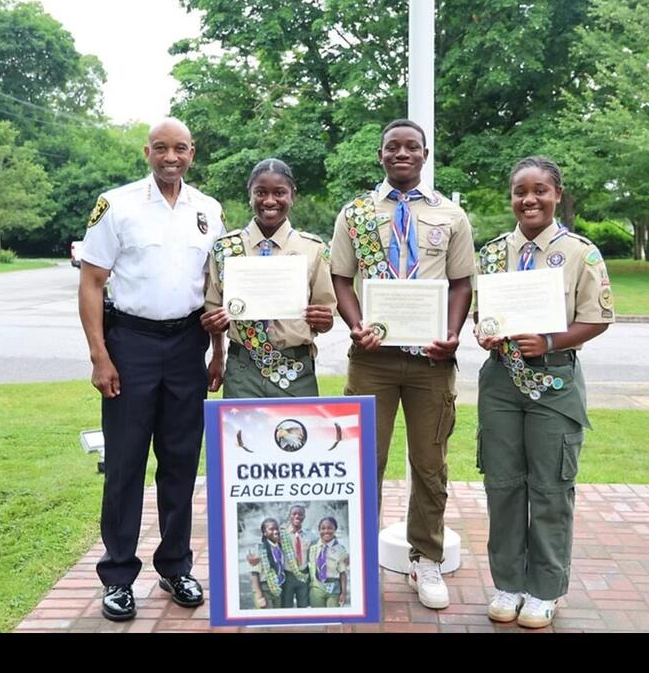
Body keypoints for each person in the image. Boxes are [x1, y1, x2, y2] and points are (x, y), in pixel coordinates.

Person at [77, 117, 226, 621]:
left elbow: (216, 288)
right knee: (124, 464)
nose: (170, 157)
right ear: (147, 152)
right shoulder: (116, 205)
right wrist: (100, 354)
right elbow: (93, 283)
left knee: (181, 462)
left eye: (179, 148)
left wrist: (218, 351)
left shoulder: (208, 210)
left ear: (192, 152)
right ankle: (118, 576)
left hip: (187, 345)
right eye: (161, 148)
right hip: (131, 344)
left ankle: (175, 565)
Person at [329, 118, 476, 610]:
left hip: (431, 363)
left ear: (425, 154)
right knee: (362, 462)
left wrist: (452, 336)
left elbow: (461, 283)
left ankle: (426, 559)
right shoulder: (357, 214)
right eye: (392, 147)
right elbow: (341, 278)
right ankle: (354, 559)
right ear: (380, 155)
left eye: (411, 146)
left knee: (429, 463)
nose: (402, 154)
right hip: (372, 360)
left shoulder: (450, 216)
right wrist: (355, 325)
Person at [474, 155, 614, 629]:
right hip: (501, 382)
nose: (529, 199)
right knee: (504, 485)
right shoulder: (492, 253)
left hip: (554, 382)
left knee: (551, 487)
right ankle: (508, 583)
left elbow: (597, 318)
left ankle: (545, 590)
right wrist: (485, 332)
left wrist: (551, 341)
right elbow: (484, 314)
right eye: (520, 191)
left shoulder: (580, 253)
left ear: (557, 195)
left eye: (539, 190)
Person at [202, 158, 335, 397]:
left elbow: (325, 315)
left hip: (295, 368)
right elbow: (213, 311)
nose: (270, 201)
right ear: (250, 195)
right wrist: (216, 339)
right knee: (241, 434)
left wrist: (324, 320)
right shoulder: (226, 249)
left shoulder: (313, 249)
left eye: (280, 193)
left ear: (292, 195)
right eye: (260, 192)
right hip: (243, 367)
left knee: (297, 433)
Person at [307, 517, 349, 607]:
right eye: (323, 528)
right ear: (319, 530)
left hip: (333, 589)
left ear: (335, 529)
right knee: (318, 617)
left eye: (330, 528)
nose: (326, 531)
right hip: (316, 588)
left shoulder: (340, 550)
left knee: (333, 617)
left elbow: (343, 573)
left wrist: (344, 593)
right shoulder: (313, 547)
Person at [249, 518, 284, 609]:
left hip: (277, 588)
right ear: (264, 532)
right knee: (264, 616)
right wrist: (260, 597)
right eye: (271, 529)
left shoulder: (279, 547)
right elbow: (255, 574)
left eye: (277, 528)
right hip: (264, 589)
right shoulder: (259, 549)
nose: (276, 531)